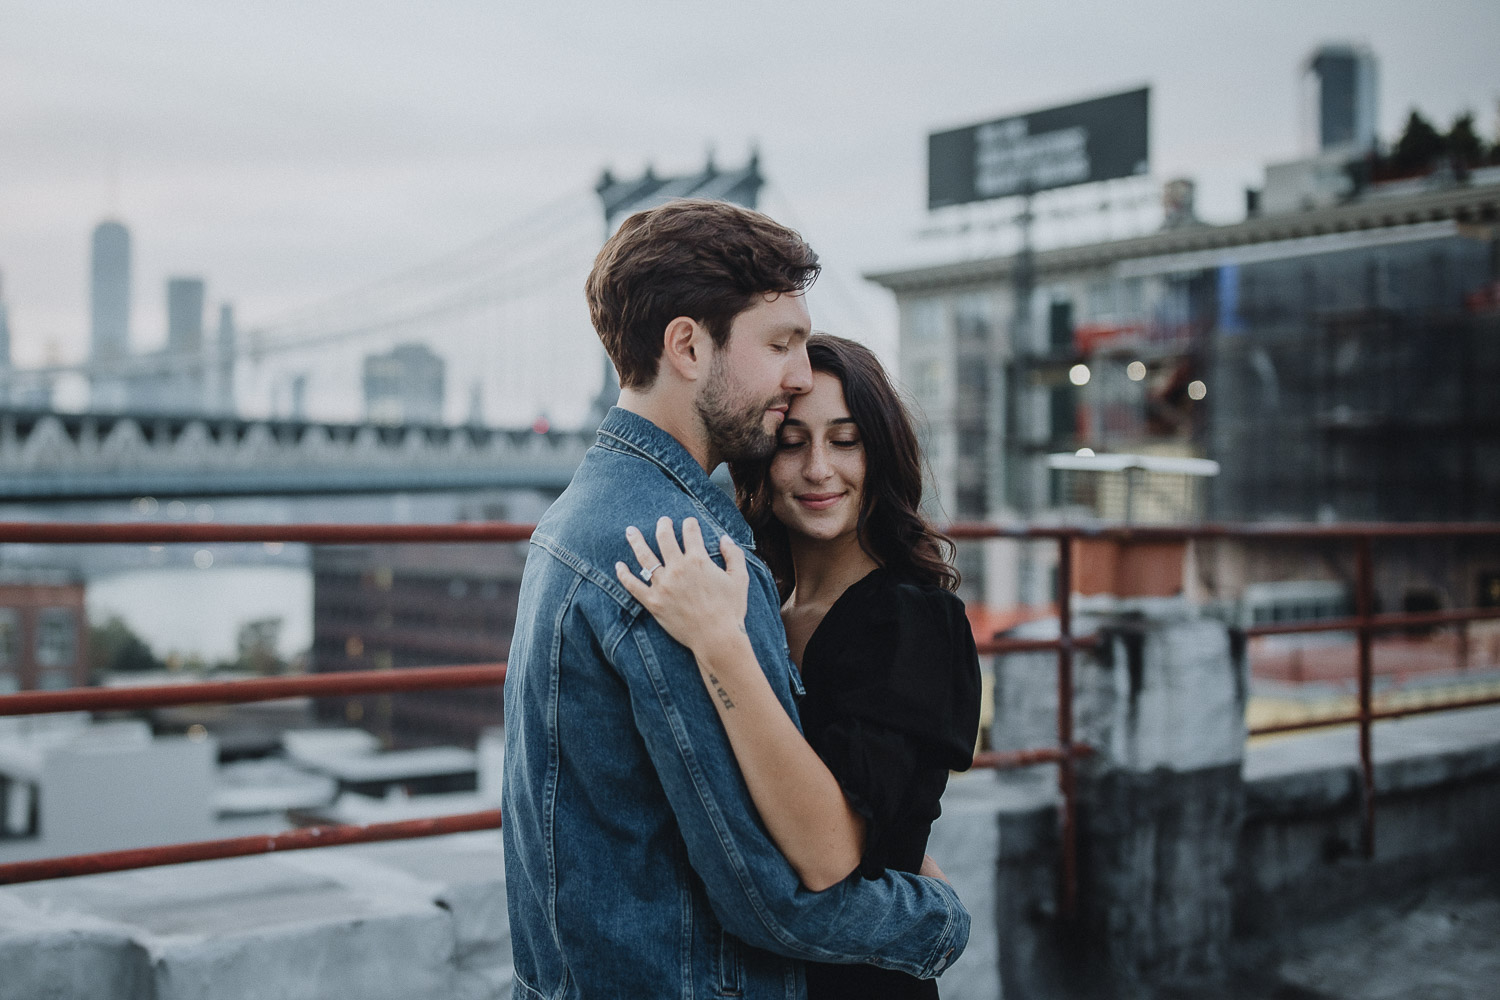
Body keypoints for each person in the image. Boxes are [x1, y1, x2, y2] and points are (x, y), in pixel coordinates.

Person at [502, 199, 969, 1000]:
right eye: (780, 343)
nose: (796, 373)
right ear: (687, 345)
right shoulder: (685, 554)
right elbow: (777, 893)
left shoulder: (576, 517)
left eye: (845, 439)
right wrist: (939, 918)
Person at [618, 334, 982, 999]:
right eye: (793, 443)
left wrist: (717, 645)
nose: (819, 470)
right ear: (760, 460)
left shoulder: (914, 621)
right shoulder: (761, 608)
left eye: (846, 441)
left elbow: (827, 856)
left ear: (881, 456)